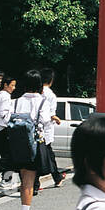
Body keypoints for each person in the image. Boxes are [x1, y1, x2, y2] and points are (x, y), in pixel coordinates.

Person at [9, 70, 55, 210]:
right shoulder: (42, 102)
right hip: (34, 144)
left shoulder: (14, 102)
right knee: (28, 181)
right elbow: (45, 121)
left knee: (24, 179)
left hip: (16, 144)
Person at [33, 66, 65, 195]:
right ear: (51, 80)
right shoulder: (51, 95)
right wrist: (56, 118)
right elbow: (50, 114)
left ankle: (55, 177)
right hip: (45, 130)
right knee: (45, 156)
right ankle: (39, 182)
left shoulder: (36, 92)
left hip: (35, 131)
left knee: (43, 156)